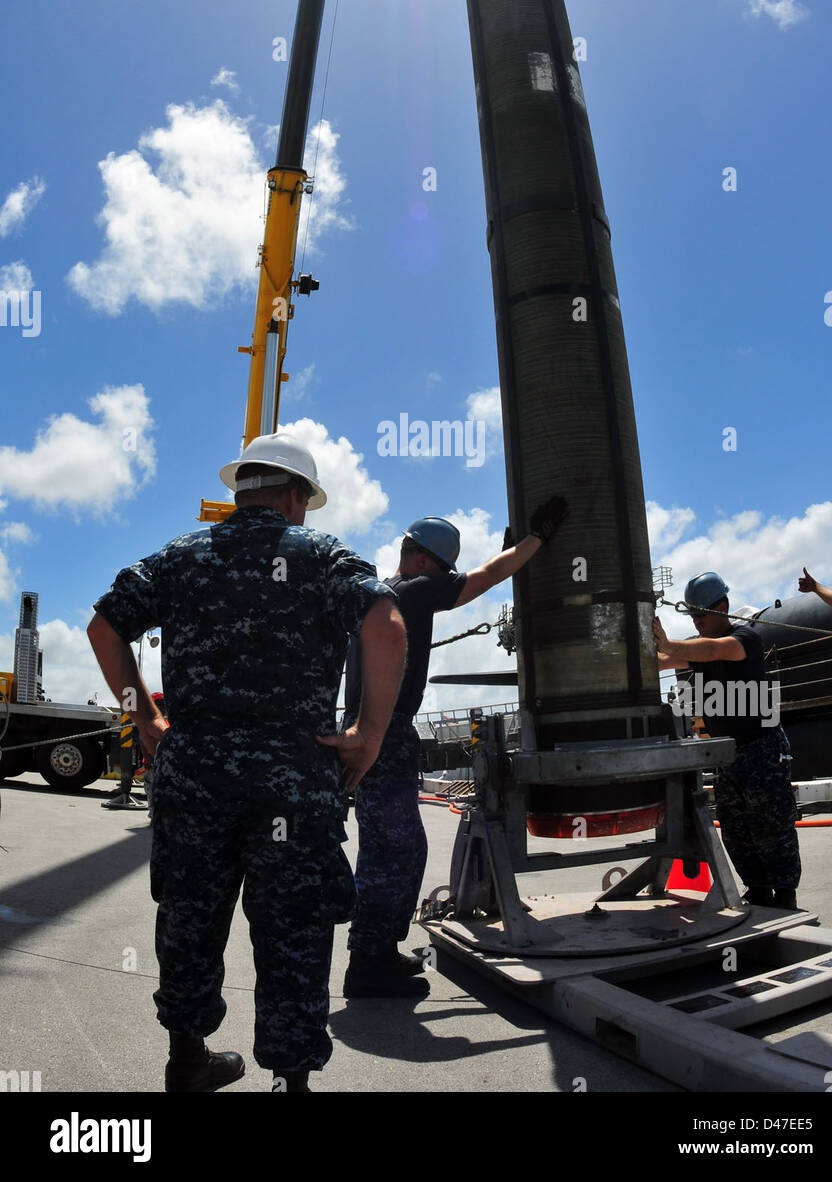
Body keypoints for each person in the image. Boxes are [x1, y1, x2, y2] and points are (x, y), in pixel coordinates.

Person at [87, 434, 406, 1092]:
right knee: (294, 930)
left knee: (189, 918)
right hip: (293, 780)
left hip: (194, 776)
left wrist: (142, 716)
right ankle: (291, 1082)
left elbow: (104, 627)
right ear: (295, 496)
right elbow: (384, 623)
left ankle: (187, 1061)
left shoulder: (178, 557)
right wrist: (369, 732)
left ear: (243, 490)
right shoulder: (318, 556)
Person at [341, 496, 569, 996]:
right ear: (424, 559)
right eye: (444, 568)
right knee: (397, 850)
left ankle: (374, 952)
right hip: (386, 731)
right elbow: (481, 578)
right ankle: (368, 965)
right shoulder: (420, 589)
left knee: (386, 847)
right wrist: (536, 541)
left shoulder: (385, 594)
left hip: (366, 728)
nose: (445, 576)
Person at [653, 571, 801, 910]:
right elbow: (664, 660)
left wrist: (670, 644)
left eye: (701, 615)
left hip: (761, 749)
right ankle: (758, 890)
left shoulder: (744, 640)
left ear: (722, 607)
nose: (697, 622)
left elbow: (711, 650)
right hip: (727, 754)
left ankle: (785, 897)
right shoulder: (702, 648)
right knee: (736, 830)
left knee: (771, 825)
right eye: (692, 616)